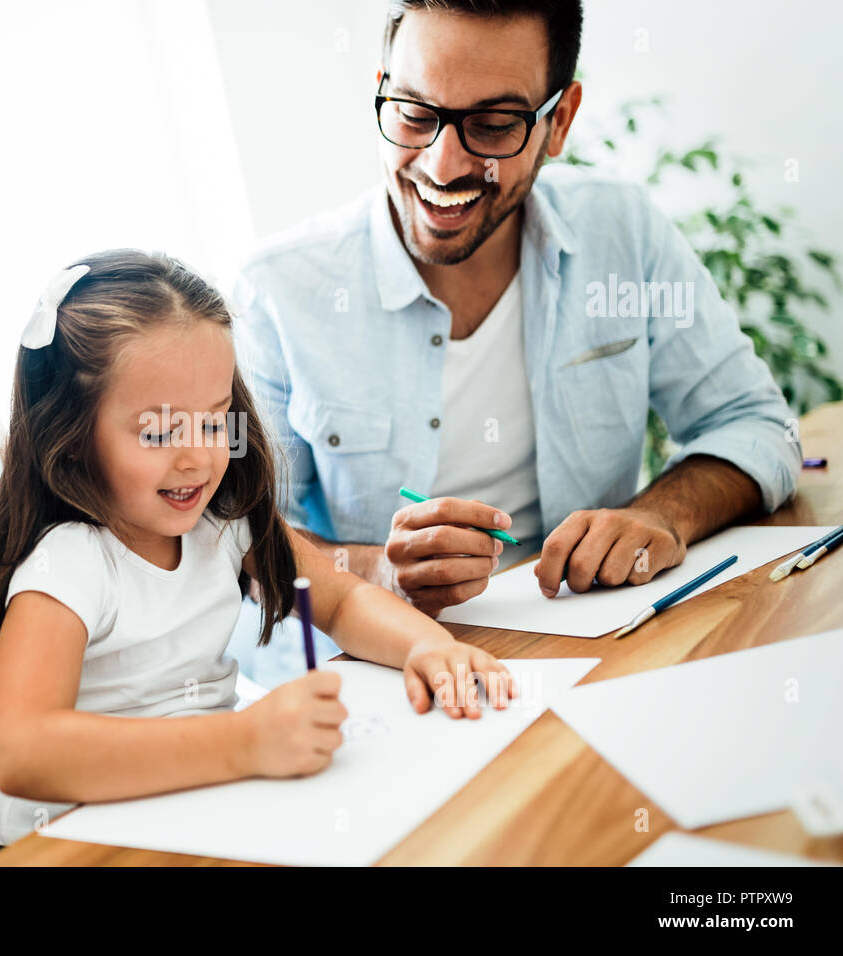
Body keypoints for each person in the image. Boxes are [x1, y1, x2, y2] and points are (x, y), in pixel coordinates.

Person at [229, 0, 799, 682]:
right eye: (413, 112)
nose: (441, 166)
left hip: (605, 651)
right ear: (380, 86)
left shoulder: (622, 232)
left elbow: (757, 424)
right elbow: (245, 542)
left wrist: (662, 515)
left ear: (559, 122)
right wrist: (375, 570)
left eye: (493, 125)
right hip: (389, 679)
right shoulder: (279, 290)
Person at [0, 250, 516, 849]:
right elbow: (24, 752)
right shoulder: (69, 563)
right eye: (158, 431)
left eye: (214, 420)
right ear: (69, 436)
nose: (196, 456)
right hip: (64, 842)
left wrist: (428, 646)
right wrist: (246, 742)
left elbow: (339, 602)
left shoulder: (224, 523)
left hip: (188, 813)